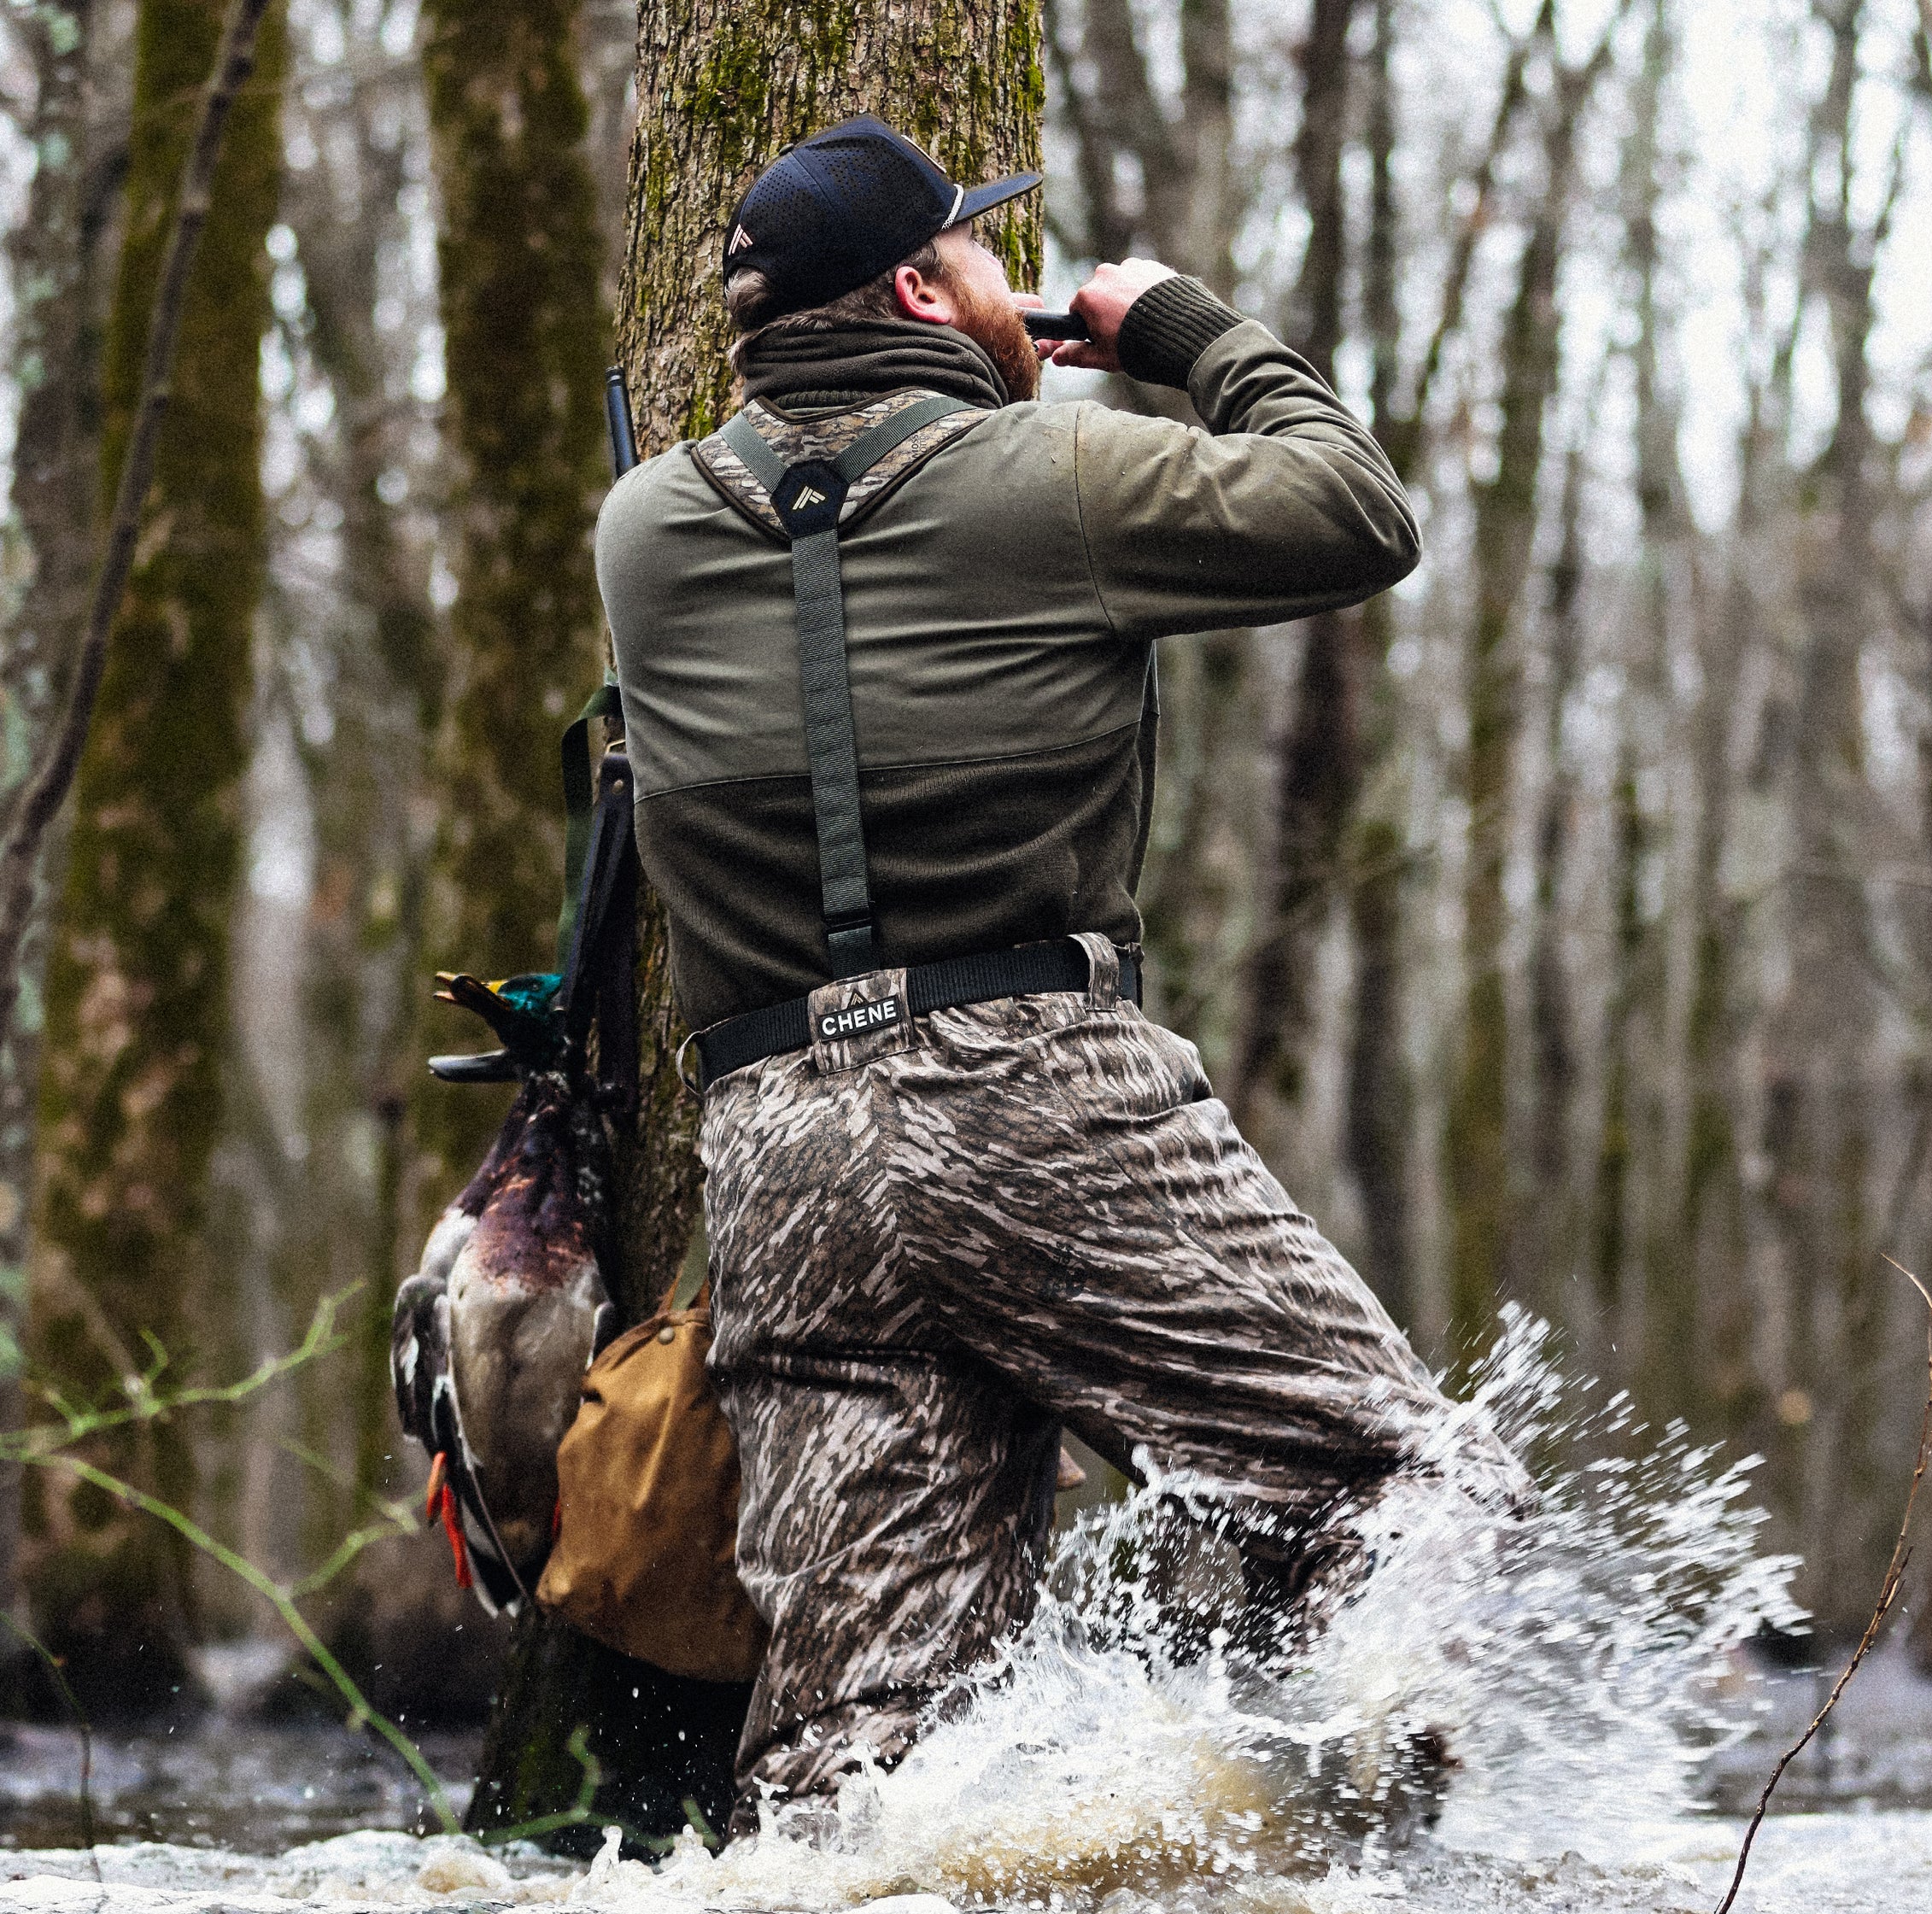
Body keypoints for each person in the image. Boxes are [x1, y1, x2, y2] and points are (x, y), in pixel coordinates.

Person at [595, 114, 1525, 1827]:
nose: (1006, 281)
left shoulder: (642, 530)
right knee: (1416, 1486)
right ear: (921, 290)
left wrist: (1002, 355)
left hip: (783, 1154)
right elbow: (1357, 510)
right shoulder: (1060, 484)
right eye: (976, 255)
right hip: (1026, 1085)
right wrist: (1171, 330)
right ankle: (1314, 1857)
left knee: (863, 1744)